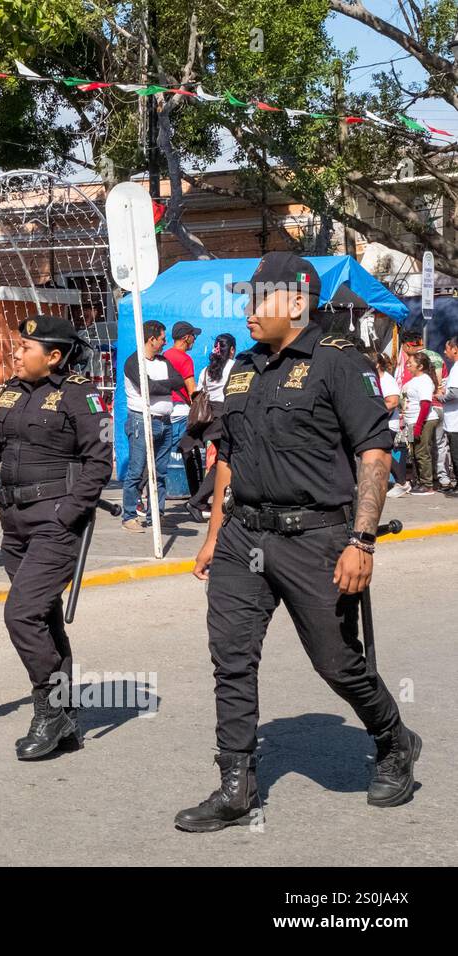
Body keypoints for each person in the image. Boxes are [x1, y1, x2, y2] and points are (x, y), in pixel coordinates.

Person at [176, 253, 420, 833]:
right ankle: (236, 786)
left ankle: (393, 739)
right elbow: (228, 454)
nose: (247, 310)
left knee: (336, 661)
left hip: (316, 537)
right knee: (231, 658)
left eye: (259, 298)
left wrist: (362, 541)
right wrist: (213, 536)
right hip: (243, 536)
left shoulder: (338, 362)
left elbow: (374, 452)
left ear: (295, 302)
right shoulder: (242, 366)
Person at [0, 315, 112, 760]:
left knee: (20, 615)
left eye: (26, 347)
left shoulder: (80, 394)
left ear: (53, 356)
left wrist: (69, 514)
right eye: (18, 346)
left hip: (54, 523)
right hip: (13, 524)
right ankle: (68, 719)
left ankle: (50, 712)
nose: (16, 353)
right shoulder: (10, 394)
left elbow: (100, 461)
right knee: (45, 618)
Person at [121, 319, 183, 532]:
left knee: (160, 472)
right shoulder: (133, 362)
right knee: (137, 470)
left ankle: (157, 513)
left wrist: (161, 386)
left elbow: (179, 381)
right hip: (142, 421)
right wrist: (164, 387)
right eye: (163, 339)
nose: (165, 343)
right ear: (152, 339)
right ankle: (129, 516)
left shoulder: (164, 362)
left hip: (165, 422)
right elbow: (149, 387)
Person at [184, 333, 236, 521]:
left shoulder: (206, 370)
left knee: (223, 461)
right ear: (231, 350)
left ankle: (200, 500)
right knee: (226, 461)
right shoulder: (233, 366)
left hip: (210, 421)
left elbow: (200, 392)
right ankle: (198, 501)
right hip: (225, 418)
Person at [163, 321, 201, 492]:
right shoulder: (185, 359)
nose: (194, 339)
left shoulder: (164, 355)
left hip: (164, 411)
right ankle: (196, 496)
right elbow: (191, 389)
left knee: (162, 454)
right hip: (182, 412)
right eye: (193, 336)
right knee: (189, 453)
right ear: (186, 338)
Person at [400, 350, 441, 495]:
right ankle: (419, 481)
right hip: (411, 421)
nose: (408, 364)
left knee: (422, 452)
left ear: (420, 366)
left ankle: (427, 484)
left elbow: (425, 405)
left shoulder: (424, 380)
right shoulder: (413, 380)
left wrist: (418, 425)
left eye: (411, 362)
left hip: (423, 421)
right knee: (414, 452)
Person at [376, 352, 411, 498]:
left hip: (389, 423)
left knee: (385, 452)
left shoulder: (387, 380)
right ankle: (398, 482)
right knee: (381, 452)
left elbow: (394, 402)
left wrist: (376, 412)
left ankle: (402, 483)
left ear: (378, 364)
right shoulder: (376, 379)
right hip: (381, 421)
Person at [441, 337, 458, 489]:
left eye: (446, 349)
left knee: (456, 455)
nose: (444, 352)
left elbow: (454, 393)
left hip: (455, 422)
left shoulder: (456, 368)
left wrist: (440, 397)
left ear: (455, 349)